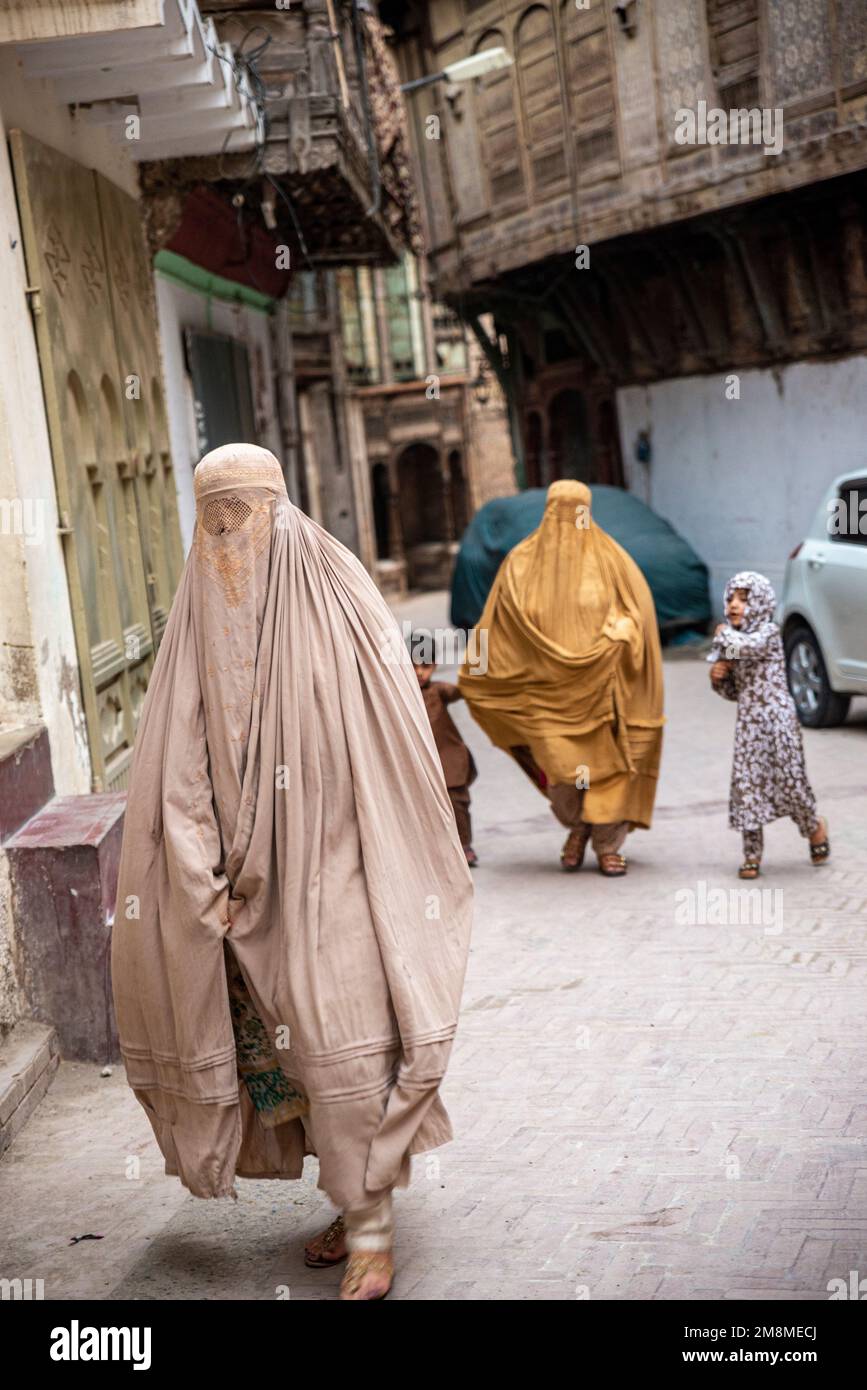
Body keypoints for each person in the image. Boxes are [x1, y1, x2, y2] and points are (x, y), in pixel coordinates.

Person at [111, 444, 473, 1301]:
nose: (230, 536)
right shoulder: (198, 611)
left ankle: (372, 1232)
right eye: (213, 518)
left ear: (279, 505)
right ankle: (352, 1207)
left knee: (340, 1036)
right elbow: (176, 762)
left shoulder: (339, 596)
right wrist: (203, 874)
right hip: (235, 884)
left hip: (339, 865)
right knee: (283, 1057)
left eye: (244, 514)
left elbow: (391, 741)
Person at [458, 479, 664, 877]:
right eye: (561, 508)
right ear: (548, 512)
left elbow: (636, 614)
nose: (570, 517)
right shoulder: (520, 564)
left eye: (578, 508)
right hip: (546, 696)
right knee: (566, 771)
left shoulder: (613, 561)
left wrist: (619, 634)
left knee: (610, 769)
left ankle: (605, 843)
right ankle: (578, 825)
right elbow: (496, 627)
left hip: (606, 690)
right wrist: (477, 674)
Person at [708, 571, 829, 879]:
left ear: (761, 603)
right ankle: (752, 855)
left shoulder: (769, 633)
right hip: (749, 725)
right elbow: (734, 688)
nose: (735, 605)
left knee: (791, 781)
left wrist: (721, 634)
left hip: (779, 722)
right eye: (732, 598)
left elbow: (748, 647)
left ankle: (812, 825)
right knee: (747, 786)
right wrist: (719, 678)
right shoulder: (734, 642)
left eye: (745, 600)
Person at [410, 635, 478, 867]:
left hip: (450, 761)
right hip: (419, 764)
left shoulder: (439, 691)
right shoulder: (400, 697)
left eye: (425, 666)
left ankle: (464, 845)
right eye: (413, 666)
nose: (419, 672)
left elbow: (463, 690)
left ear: (435, 666)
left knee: (458, 803)